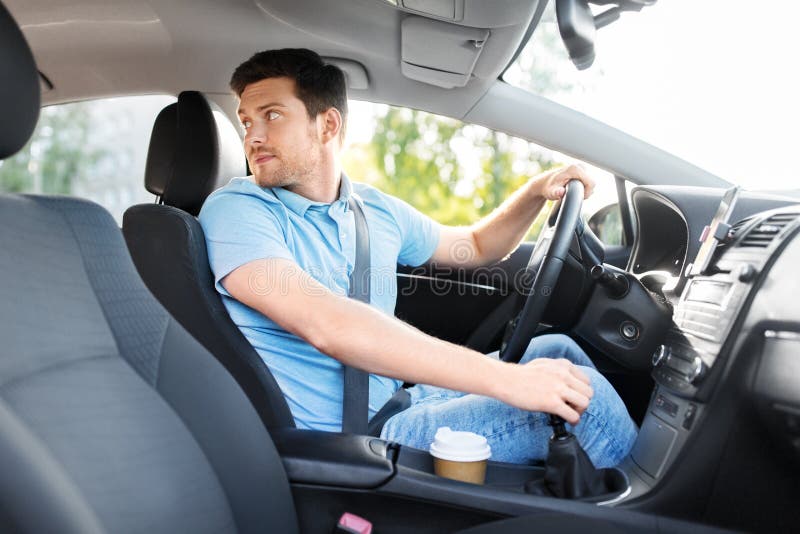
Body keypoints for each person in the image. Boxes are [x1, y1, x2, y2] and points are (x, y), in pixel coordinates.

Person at [199, 48, 637, 467]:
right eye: (246, 121)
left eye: (271, 116)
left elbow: (477, 246)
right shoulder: (237, 210)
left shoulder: (374, 209)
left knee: (558, 350)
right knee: (587, 403)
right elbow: (327, 324)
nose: (252, 136)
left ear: (327, 125)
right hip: (355, 439)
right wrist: (510, 381)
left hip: (403, 399)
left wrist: (539, 190)